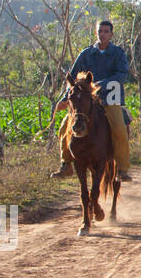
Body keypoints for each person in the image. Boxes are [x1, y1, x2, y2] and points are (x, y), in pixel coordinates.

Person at [53, 20, 133, 182]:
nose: (102, 34)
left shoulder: (118, 53)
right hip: (85, 101)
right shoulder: (86, 54)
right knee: (64, 126)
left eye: (106, 31)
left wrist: (97, 85)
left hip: (109, 98)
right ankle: (66, 164)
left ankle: (122, 169)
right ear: (96, 33)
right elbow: (72, 79)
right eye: (100, 31)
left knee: (119, 128)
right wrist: (64, 99)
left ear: (111, 34)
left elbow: (122, 75)